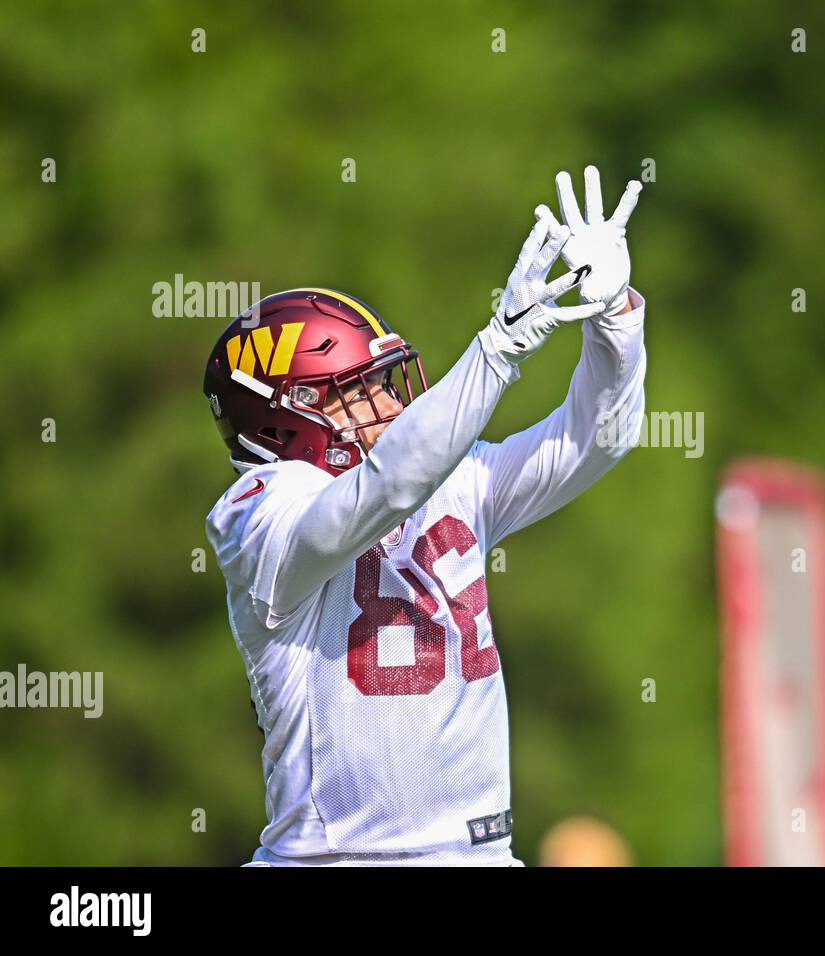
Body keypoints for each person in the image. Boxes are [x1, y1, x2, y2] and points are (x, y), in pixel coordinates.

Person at [202, 167, 645, 865]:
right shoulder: (257, 515)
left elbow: (599, 438)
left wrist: (613, 321)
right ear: (285, 418)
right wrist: (494, 352)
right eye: (358, 392)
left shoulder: (450, 479)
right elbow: (385, 488)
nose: (388, 405)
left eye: (384, 383)